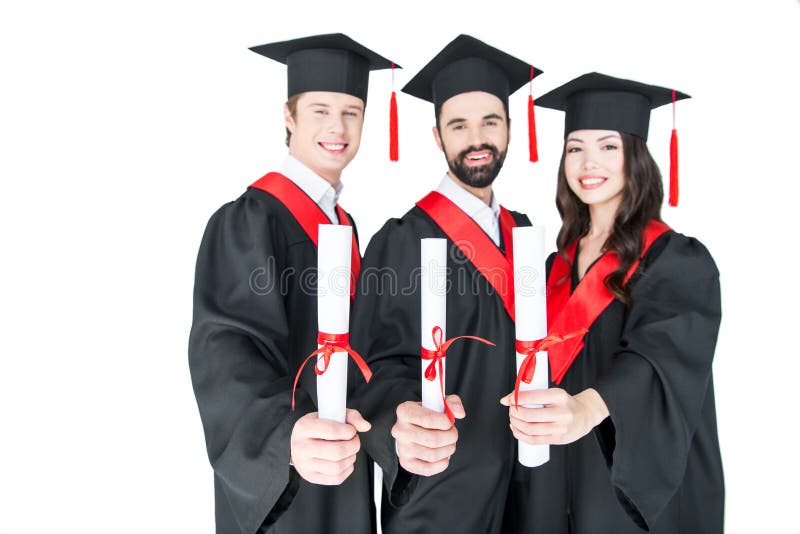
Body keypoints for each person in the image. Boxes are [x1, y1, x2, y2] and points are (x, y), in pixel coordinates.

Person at [188, 34, 397, 534]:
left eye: (351, 112)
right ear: (289, 116)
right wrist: (286, 434)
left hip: (343, 462)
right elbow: (226, 350)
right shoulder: (250, 219)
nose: (337, 127)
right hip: (287, 471)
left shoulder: (343, 225)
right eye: (320, 110)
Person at [501, 72, 724, 533]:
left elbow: (660, 353)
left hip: (624, 489)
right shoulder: (549, 267)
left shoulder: (675, 259)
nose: (589, 162)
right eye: (575, 147)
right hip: (549, 480)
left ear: (635, 157)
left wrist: (588, 408)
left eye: (608, 146)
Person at [350, 35, 541, 534]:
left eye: (490, 122)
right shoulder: (401, 240)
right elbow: (372, 368)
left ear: (510, 130)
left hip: (527, 489)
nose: (476, 138)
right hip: (439, 495)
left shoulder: (524, 234)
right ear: (437, 136)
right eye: (459, 125)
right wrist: (402, 425)